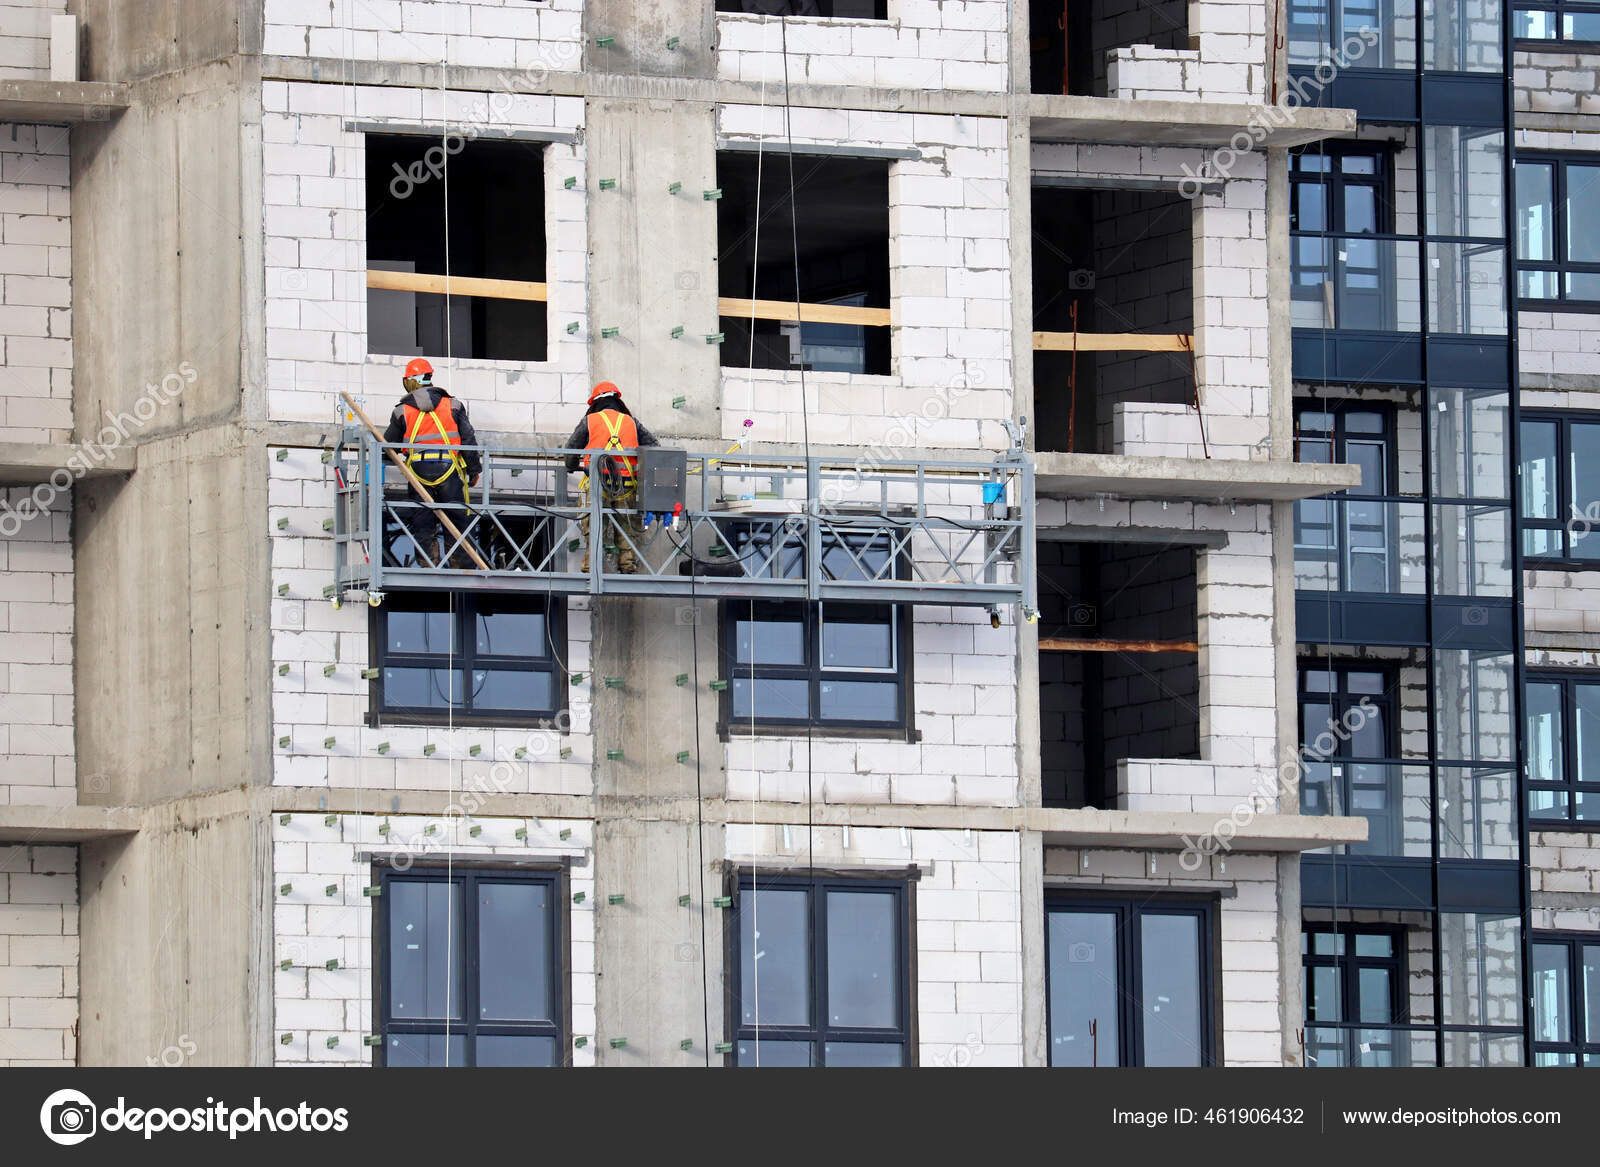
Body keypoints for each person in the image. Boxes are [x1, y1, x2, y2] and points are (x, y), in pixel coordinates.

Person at [382, 358, 482, 566]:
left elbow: (387, 445)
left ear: (410, 381)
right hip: (449, 470)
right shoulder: (453, 405)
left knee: (422, 518)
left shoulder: (401, 410)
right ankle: (460, 563)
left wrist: (383, 457)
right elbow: (469, 439)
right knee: (456, 516)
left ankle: (428, 561)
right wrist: (474, 470)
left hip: (418, 472)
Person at [564, 382, 659, 574]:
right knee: (626, 527)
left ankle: (591, 566)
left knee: (595, 525)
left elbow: (570, 453)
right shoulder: (632, 422)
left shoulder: (590, 421)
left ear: (596, 403)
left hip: (599, 483)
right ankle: (627, 565)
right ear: (617, 402)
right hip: (627, 485)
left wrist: (572, 466)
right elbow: (655, 447)